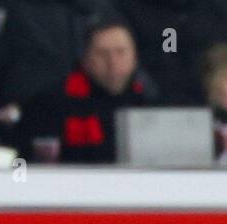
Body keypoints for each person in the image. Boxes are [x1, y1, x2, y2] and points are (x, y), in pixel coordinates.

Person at [17, 18, 151, 163]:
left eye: (120, 52)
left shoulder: (148, 103)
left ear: (135, 57)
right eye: (102, 53)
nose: (112, 61)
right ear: (85, 59)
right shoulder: (50, 105)